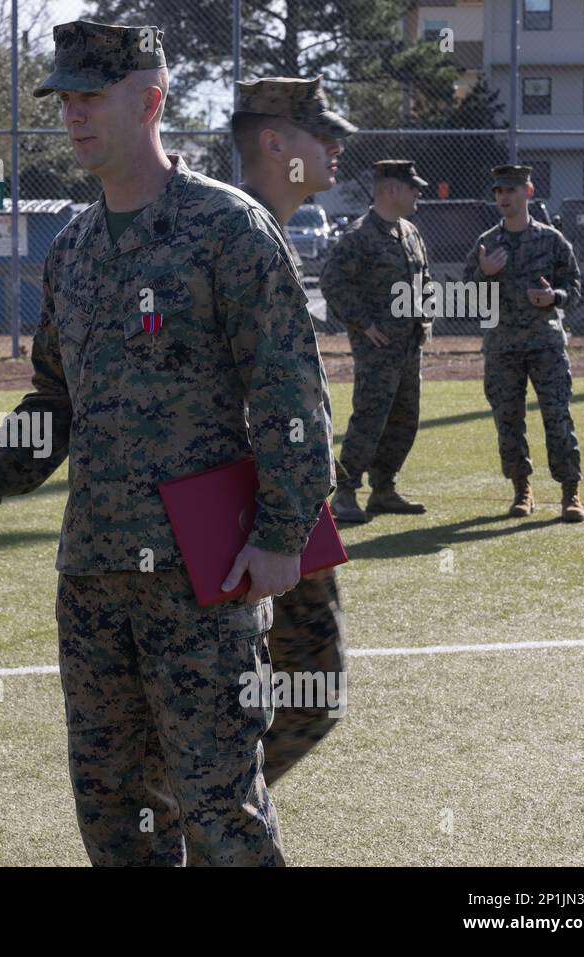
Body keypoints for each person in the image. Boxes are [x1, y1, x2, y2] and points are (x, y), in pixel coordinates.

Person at [0, 21, 334, 866]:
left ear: (150, 100)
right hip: (94, 577)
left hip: (204, 578)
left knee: (222, 807)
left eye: (91, 97)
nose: (73, 115)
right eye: (65, 99)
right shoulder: (73, 249)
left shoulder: (228, 229)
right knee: (115, 813)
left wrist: (282, 533)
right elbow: (55, 399)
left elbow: (291, 394)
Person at [231, 75, 353, 787]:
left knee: (296, 693)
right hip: (250, 513)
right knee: (306, 691)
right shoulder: (241, 234)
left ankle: (208, 828)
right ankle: (203, 832)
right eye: (321, 133)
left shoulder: (256, 230)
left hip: (273, 506)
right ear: (276, 142)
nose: (336, 147)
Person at [464, 164, 584, 521]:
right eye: (499, 191)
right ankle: (522, 490)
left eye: (511, 191)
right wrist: (484, 275)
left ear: (528, 193)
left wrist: (554, 297)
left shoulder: (551, 240)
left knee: (558, 416)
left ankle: (570, 492)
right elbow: (467, 293)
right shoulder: (486, 243)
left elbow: (574, 286)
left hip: (545, 345)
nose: (503, 197)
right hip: (502, 347)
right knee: (508, 421)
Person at [321, 160, 433, 524]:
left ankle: (384, 488)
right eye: (412, 187)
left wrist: (425, 316)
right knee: (370, 418)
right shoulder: (359, 236)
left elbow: (425, 279)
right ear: (391, 190)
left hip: (408, 346)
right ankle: (346, 492)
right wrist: (363, 323)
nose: (418, 193)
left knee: (405, 419)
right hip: (378, 348)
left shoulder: (410, 233)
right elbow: (333, 282)